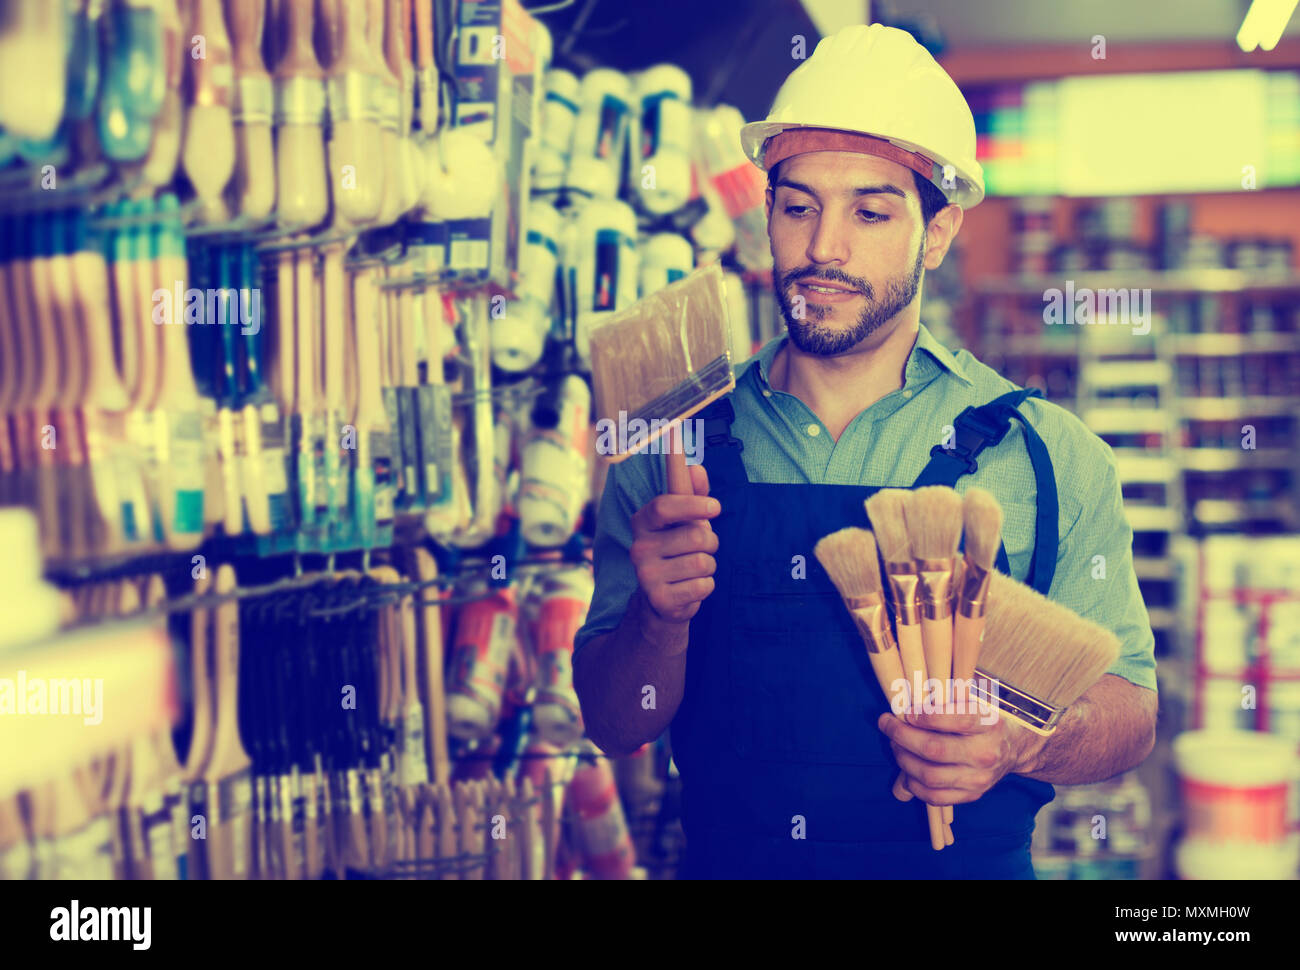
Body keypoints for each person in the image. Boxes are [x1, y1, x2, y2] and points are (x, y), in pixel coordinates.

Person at [572, 23, 1157, 879]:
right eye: (798, 204)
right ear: (766, 211)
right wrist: (658, 621)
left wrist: (1019, 744)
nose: (823, 248)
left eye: (871, 211)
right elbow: (616, 722)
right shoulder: (672, 448)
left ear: (938, 233)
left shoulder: (1042, 457)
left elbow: (1132, 715)